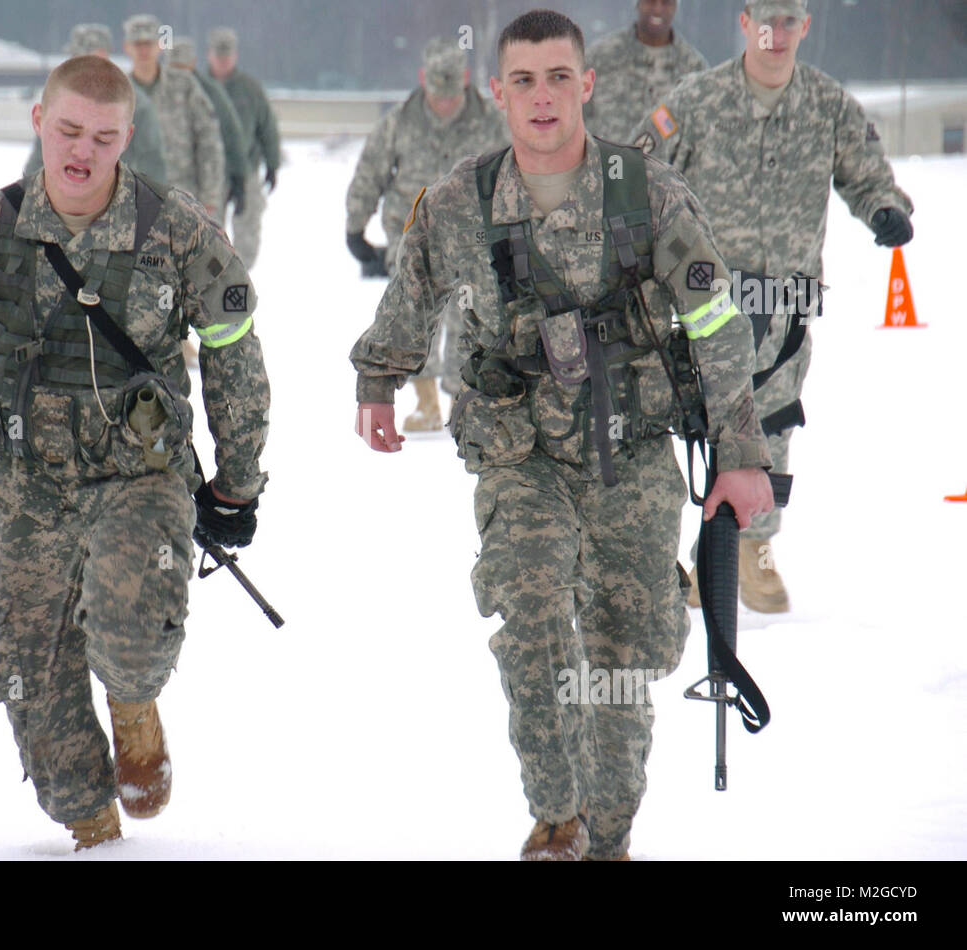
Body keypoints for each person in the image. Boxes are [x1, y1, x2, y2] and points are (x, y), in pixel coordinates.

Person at [350, 10, 773, 860]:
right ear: (495, 91)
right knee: (533, 611)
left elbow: (718, 323)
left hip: (634, 454)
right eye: (522, 81)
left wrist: (741, 454)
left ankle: (608, 835)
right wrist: (379, 378)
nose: (540, 98)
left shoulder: (648, 194)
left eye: (556, 78)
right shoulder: (461, 199)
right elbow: (414, 288)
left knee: (622, 661)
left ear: (587, 85)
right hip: (520, 454)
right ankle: (557, 818)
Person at [0, 56, 269, 850]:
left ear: (127, 138)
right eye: (68, 129)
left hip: (140, 478)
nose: (82, 150)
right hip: (28, 490)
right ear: (41, 122)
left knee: (128, 624)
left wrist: (237, 484)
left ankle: (134, 697)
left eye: (103, 136)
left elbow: (233, 353)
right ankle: (91, 824)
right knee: (24, 674)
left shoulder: (177, 232)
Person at [631, 0, 913, 612]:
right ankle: (676, 551)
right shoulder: (696, 100)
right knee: (689, 422)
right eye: (767, 19)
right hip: (705, 301)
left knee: (773, 421)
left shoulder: (828, 104)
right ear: (745, 23)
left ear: (805, 27)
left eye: (790, 21)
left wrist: (884, 209)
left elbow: (866, 173)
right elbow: (637, 171)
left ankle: (753, 547)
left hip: (784, 304)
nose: (777, 33)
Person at [345, 37, 507, 432]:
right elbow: (370, 173)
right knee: (413, 312)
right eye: (439, 94)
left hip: (474, 237)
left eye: (453, 95)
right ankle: (426, 398)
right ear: (423, 79)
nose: (445, 104)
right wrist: (355, 225)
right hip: (410, 231)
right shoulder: (400, 121)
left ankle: (461, 397)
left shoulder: (491, 121)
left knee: (469, 314)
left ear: (467, 80)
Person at [23, 23, 166, 183]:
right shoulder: (60, 98)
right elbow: (39, 158)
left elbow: (152, 159)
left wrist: (148, 203)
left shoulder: (131, 100)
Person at [123, 14, 223, 216]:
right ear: (127, 47)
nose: (143, 50)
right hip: (131, 199)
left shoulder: (183, 85)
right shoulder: (118, 90)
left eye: (148, 44)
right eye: (138, 44)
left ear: (160, 46)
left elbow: (208, 139)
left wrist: (210, 195)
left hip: (182, 197)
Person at [206, 27, 280, 271]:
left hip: (246, 168)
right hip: (209, 173)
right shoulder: (199, 87)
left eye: (227, 56)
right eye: (219, 55)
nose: (223, 61)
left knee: (248, 228)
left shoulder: (250, 89)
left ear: (235, 56)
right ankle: (211, 279)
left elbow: (267, 127)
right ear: (209, 55)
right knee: (207, 231)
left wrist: (272, 164)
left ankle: (240, 276)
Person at [584, 0, 708, 144]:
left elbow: (701, 133)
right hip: (608, 162)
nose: (657, 9)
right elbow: (577, 117)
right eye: (650, 1)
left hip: (667, 164)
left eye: (666, 2)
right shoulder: (600, 57)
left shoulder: (693, 67)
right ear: (637, 4)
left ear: (676, 7)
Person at [168, 36, 248, 226]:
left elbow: (231, 134)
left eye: (184, 66)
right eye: (175, 66)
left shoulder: (209, 92)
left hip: (206, 185)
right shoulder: (159, 91)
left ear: (193, 63)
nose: (180, 73)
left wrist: (239, 177)